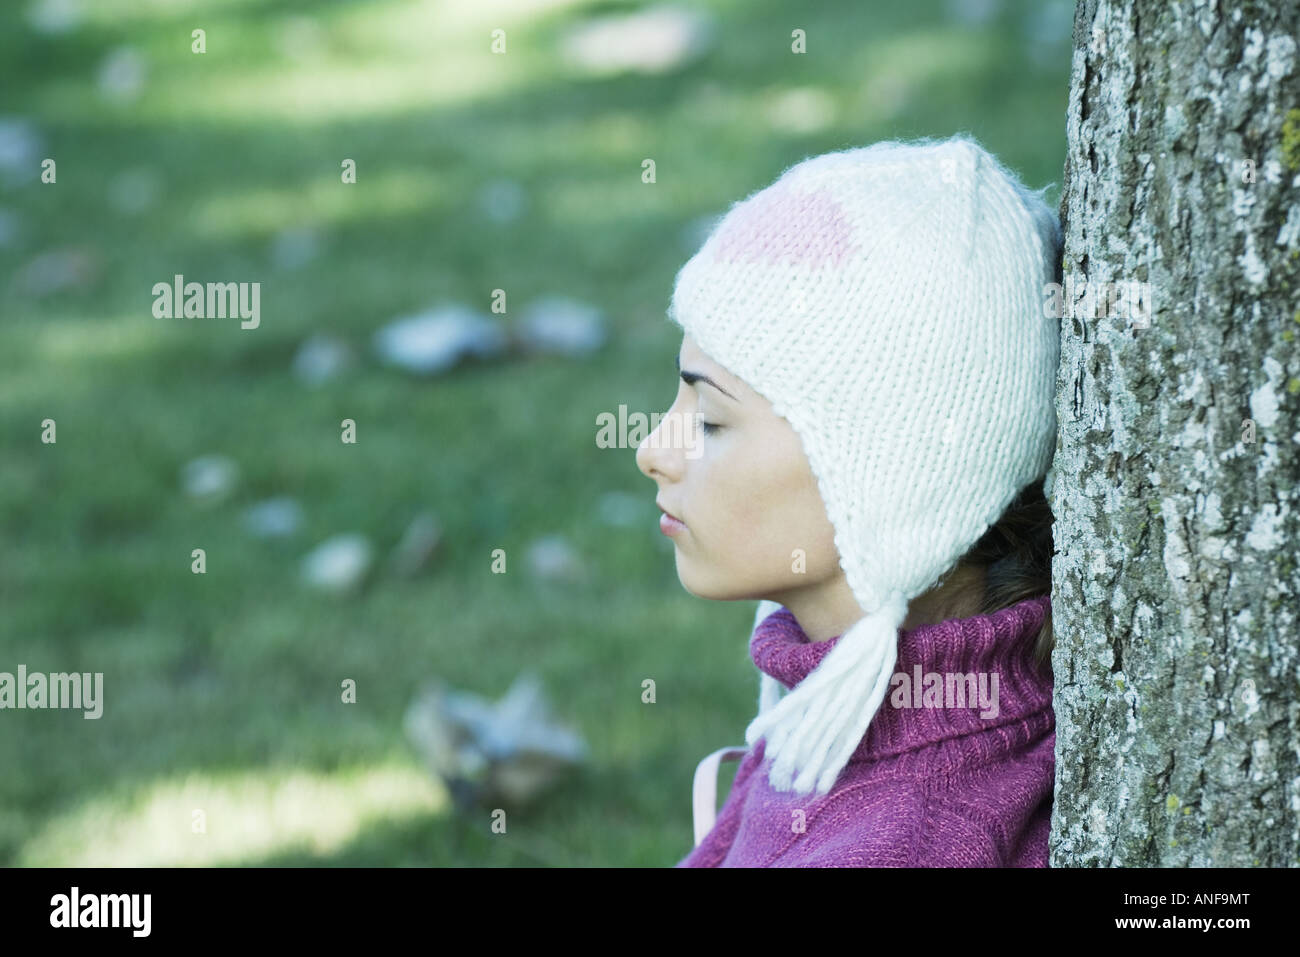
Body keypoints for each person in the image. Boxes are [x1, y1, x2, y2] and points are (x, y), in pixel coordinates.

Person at [635, 133, 1062, 866]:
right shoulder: (861, 713)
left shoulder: (908, 839)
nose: (652, 449)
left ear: (893, 475)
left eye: (710, 418)